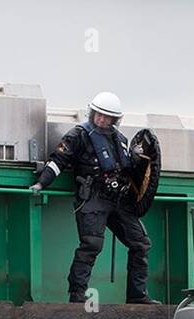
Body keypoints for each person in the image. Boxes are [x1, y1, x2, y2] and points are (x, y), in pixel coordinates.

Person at [30, 91, 156, 305]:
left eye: (106, 117)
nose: (100, 119)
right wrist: (41, 183)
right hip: (92, 199)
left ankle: (137, 295)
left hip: (119, 200)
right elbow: (58, 161)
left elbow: (134, 172)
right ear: (91, 112)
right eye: (98, 114)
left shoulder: (121, 141)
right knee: (91, 245)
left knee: (141, 244)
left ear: (114, 120)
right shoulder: (77, 135)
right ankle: (77, 295)